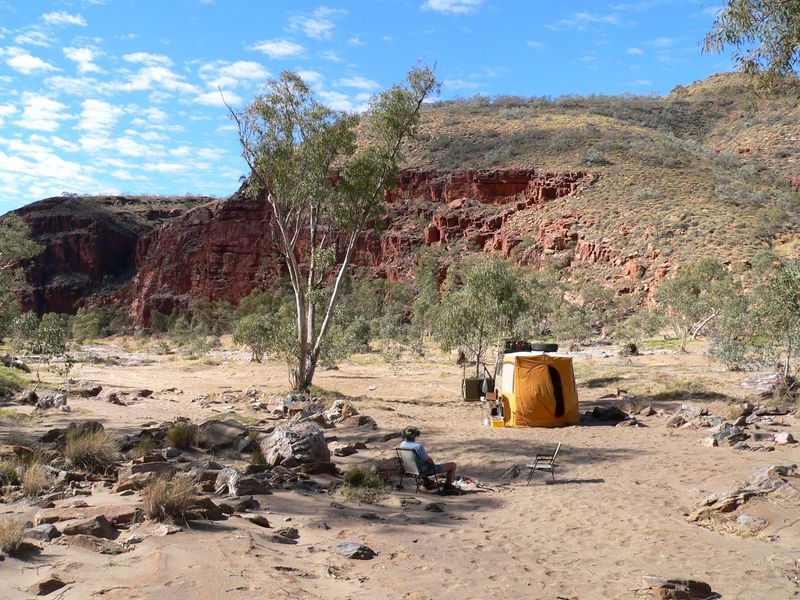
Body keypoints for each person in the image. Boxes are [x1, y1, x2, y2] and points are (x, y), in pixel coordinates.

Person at [399, 425, 457, 490]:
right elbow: (429, 461)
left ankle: (427, 482)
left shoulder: (402, 444)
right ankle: (448, 485)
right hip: (423, 471)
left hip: (410, 469)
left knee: (422, 463)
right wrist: (432, 464)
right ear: (415, 435)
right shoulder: (417, 446)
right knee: (452, 465)